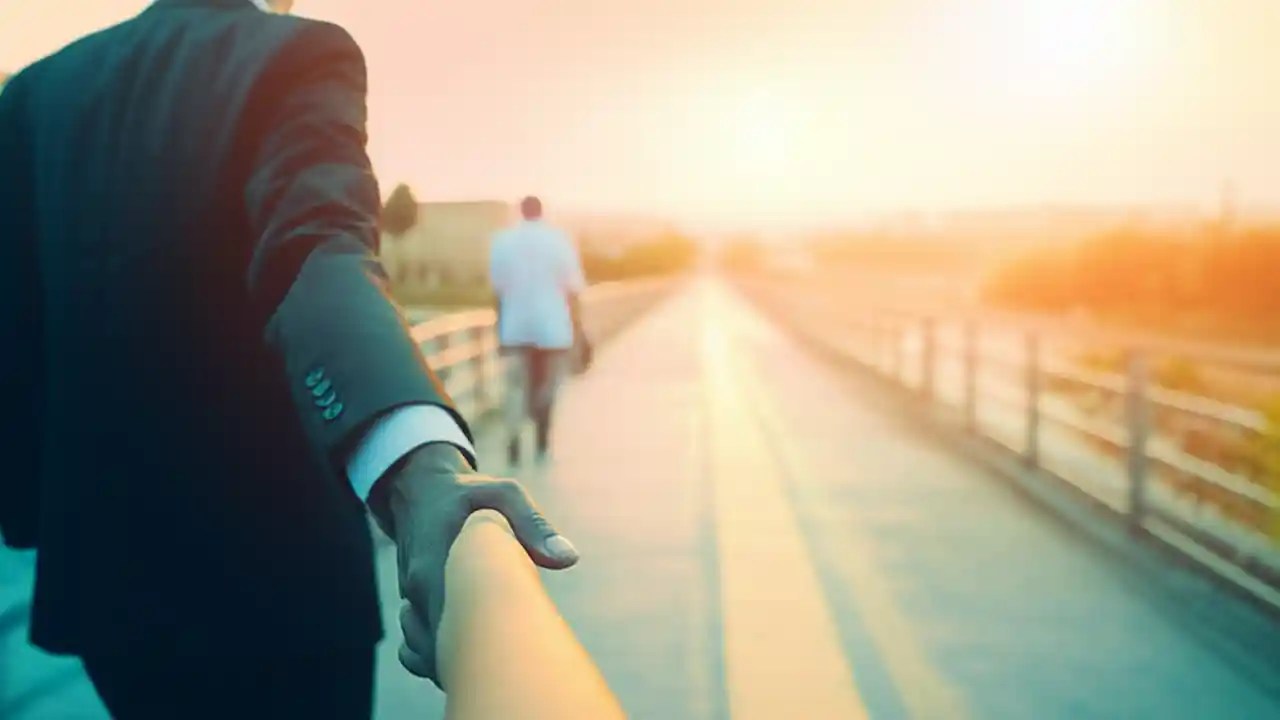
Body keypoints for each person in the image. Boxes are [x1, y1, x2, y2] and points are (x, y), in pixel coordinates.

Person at [0, 0, 578, 716]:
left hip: (106, 586)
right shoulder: (295, 54)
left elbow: (16, 323)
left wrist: (29, 511)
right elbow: (316, 251)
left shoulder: (36, 93)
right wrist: (422, 471)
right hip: (280, 575)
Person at [489, 196, 589, 464]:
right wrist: (578, 330)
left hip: (514, 328)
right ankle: (542, 438)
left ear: (521, 212)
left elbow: (497, 292)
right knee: (549, 386)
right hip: (553, 328)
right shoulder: (560, 241)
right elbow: (573, 290)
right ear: (542, 212)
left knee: (514, 387)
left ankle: (513, 441)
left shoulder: (503, 242)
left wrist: (499, 332)